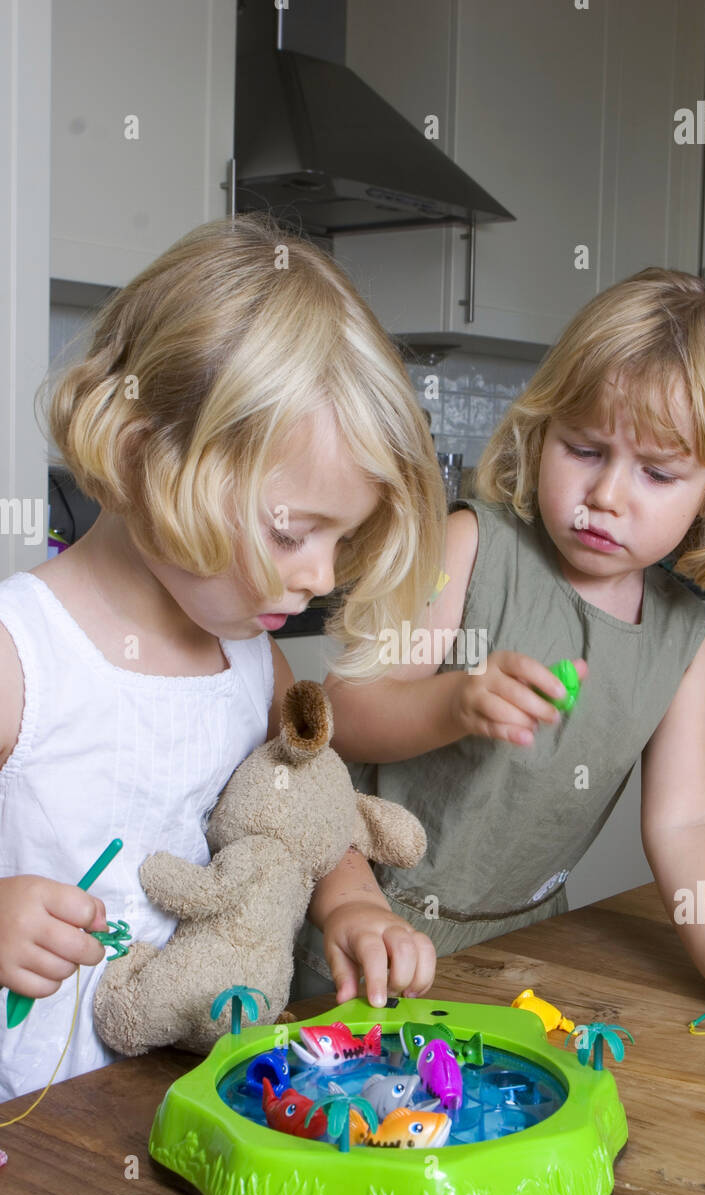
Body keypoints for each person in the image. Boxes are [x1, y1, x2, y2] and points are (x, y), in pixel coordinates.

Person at [310, 268, 705, 1032]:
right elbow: (342, 717)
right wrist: (453, 701)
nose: (609, 494)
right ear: (541, 430)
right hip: (359, 930)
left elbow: (688, 825)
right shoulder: (471, 547)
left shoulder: (685, 643)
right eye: (584, 449)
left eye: (656, 472)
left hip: (523, 946)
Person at [0, 213, 443, 1102]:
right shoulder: (24, 657)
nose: (318, 575)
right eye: (290, 531)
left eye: (339, 538)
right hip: (35, 1130)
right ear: (143, 458)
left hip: (196, 1103)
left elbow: (301, 808)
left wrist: (351, 898)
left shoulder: (251, 661)